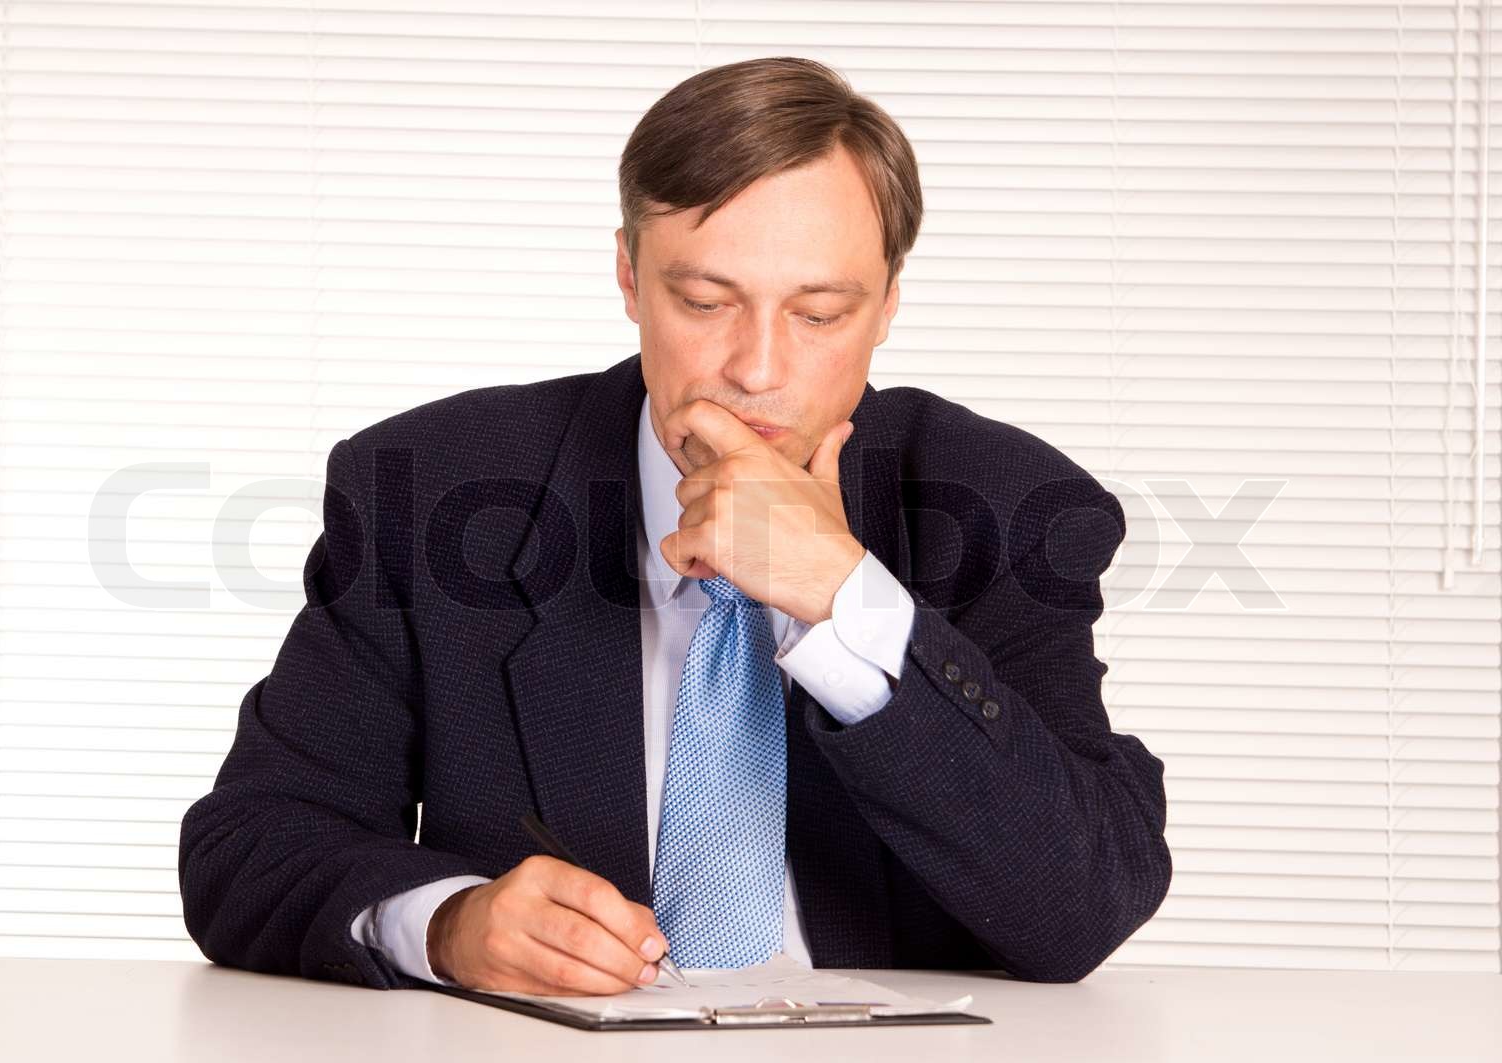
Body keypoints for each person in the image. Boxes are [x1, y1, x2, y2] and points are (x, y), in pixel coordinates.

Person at [178, 55, 1170, 996]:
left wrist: (844, 599)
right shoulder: (434, 491)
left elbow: (1083, 903)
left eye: (820, 312)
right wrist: (451, 925)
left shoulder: (1004, 506)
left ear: (888, 304)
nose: (757, 368)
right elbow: (250, 846)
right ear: (629, 276)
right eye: (704, 299)